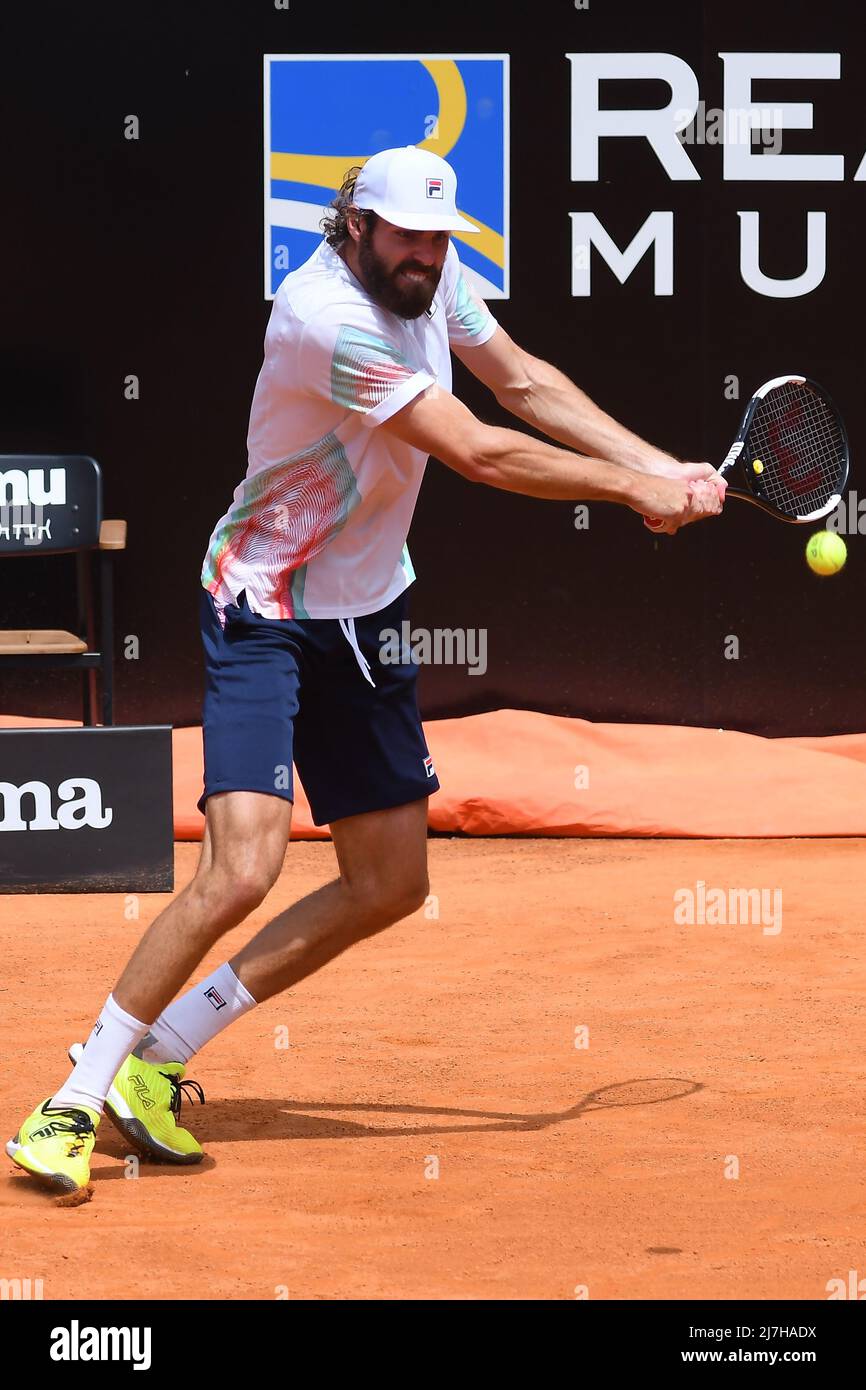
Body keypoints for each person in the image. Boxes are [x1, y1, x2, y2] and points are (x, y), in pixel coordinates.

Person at [7, 145, 724, 1203]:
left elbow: (520, 380)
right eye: (403, 237)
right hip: (265, 606)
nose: (422, 258)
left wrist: (660, 466)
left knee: (390, 883)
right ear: (353, 226)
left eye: (437, 239)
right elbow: (476, 448)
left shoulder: (436, 277)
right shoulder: (320, 317)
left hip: (368, 614)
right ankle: (73, 1093)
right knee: (242, 867)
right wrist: (630, 491)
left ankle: (160, 1059)